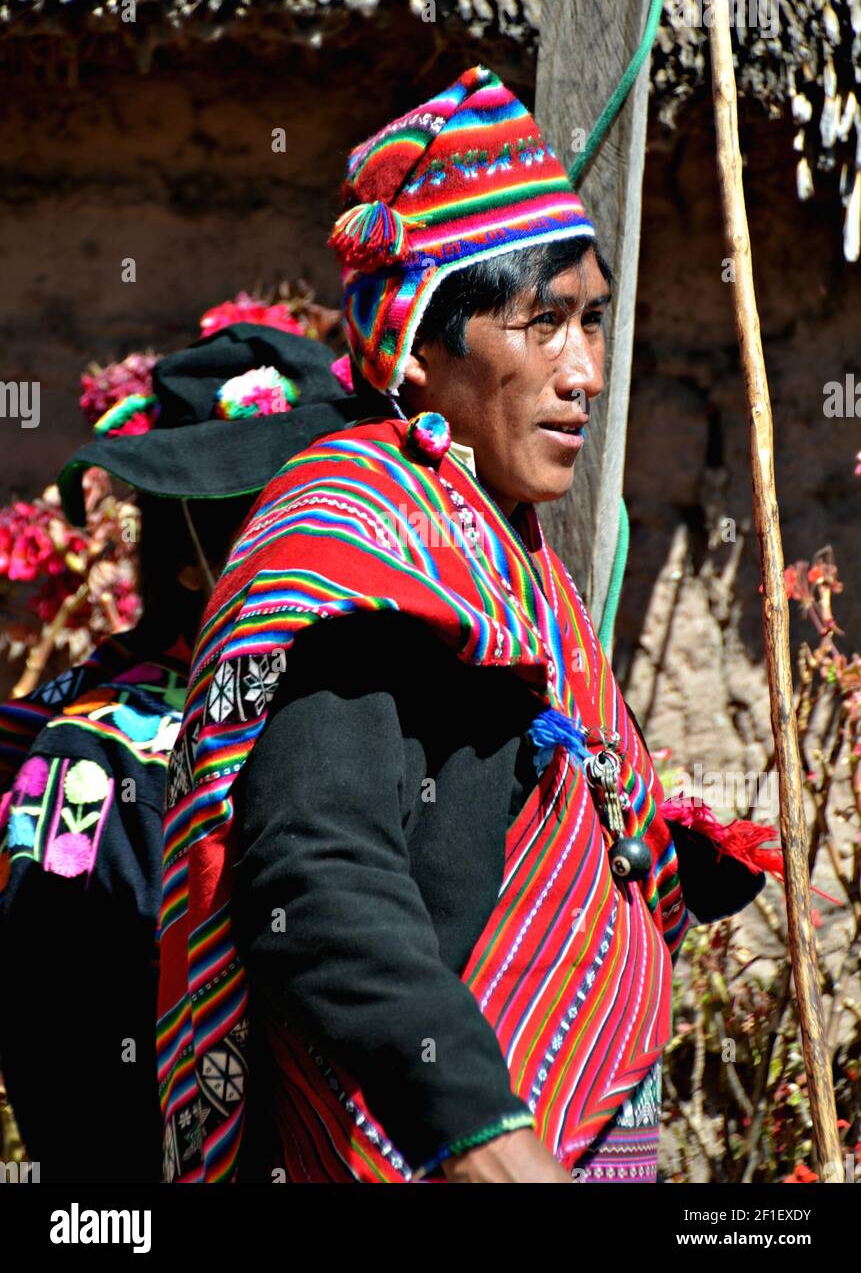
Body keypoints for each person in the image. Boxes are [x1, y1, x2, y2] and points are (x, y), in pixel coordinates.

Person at [156, 66, 775, 1185]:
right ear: (420, 351)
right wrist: (482, 1135)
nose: (583, 372)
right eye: (541, 325)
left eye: (592, 323)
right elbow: (318, 864)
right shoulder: (356, 547)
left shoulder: (494, 541)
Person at [0, 324, 362, 1181]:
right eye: (277, 519)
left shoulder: (375, 700)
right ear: (193, 564)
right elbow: (60, 1037)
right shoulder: (92, 762)